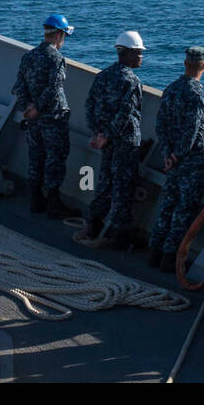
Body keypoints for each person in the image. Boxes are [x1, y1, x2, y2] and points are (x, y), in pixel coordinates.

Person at [147, 47, 204, 271]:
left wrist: (167, 153)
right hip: (190, 163)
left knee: (167, 205)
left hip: (171, 160)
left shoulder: (171, 89)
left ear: (185, 64)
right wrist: (178, 155)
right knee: (183, 210)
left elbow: (161, 125)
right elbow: (192, 131)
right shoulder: (196, 94)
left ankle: (154, 253)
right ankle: (169, 258)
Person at [83, 30, 146, 250]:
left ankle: (94, 223)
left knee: (105, 181)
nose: (141, 57)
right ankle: (119, 234)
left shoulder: (103, 76)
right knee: (122, 186)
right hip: (125, 142)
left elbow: (89, 106)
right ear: (126, 54)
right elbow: (125, 113)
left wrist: (98, 134)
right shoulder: (131, 81)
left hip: (106, 141)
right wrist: (108, 135)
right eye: (138, 53)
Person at [11, 14, 77, 220]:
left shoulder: (29, 56)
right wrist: (38, 107)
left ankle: (36, 199)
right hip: (52, 119)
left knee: (36, 157)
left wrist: (28, 107)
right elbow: (54, 89)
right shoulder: (56, 59)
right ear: (58, 35)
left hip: (33, 119)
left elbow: (19, 86)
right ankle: (53, 203)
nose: (64, 39)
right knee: (55, 159)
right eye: (64, 35)